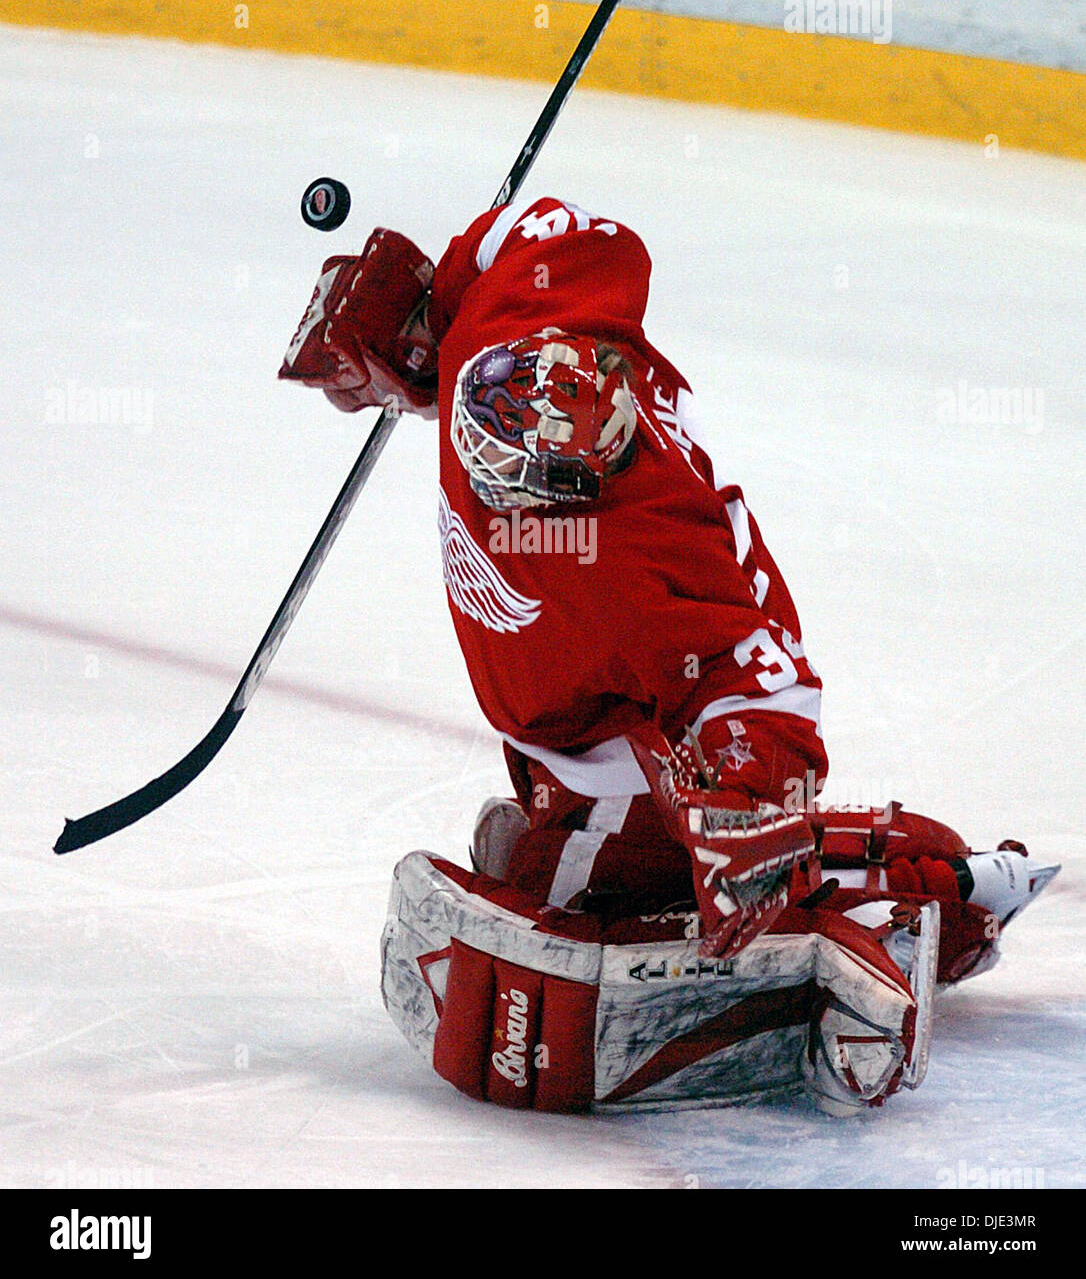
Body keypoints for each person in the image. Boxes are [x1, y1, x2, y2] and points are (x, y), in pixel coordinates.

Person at [281, 195, 1058, 1114]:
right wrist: (421, 307)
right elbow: (568, 228)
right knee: (551, 862)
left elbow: (755, 671)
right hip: (575, 727)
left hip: (627, 744)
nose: (511, 479)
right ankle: (945, 880)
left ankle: (872, 930)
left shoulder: (633, 547)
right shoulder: (514, 318)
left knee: (575, 899)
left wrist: (747, 806)